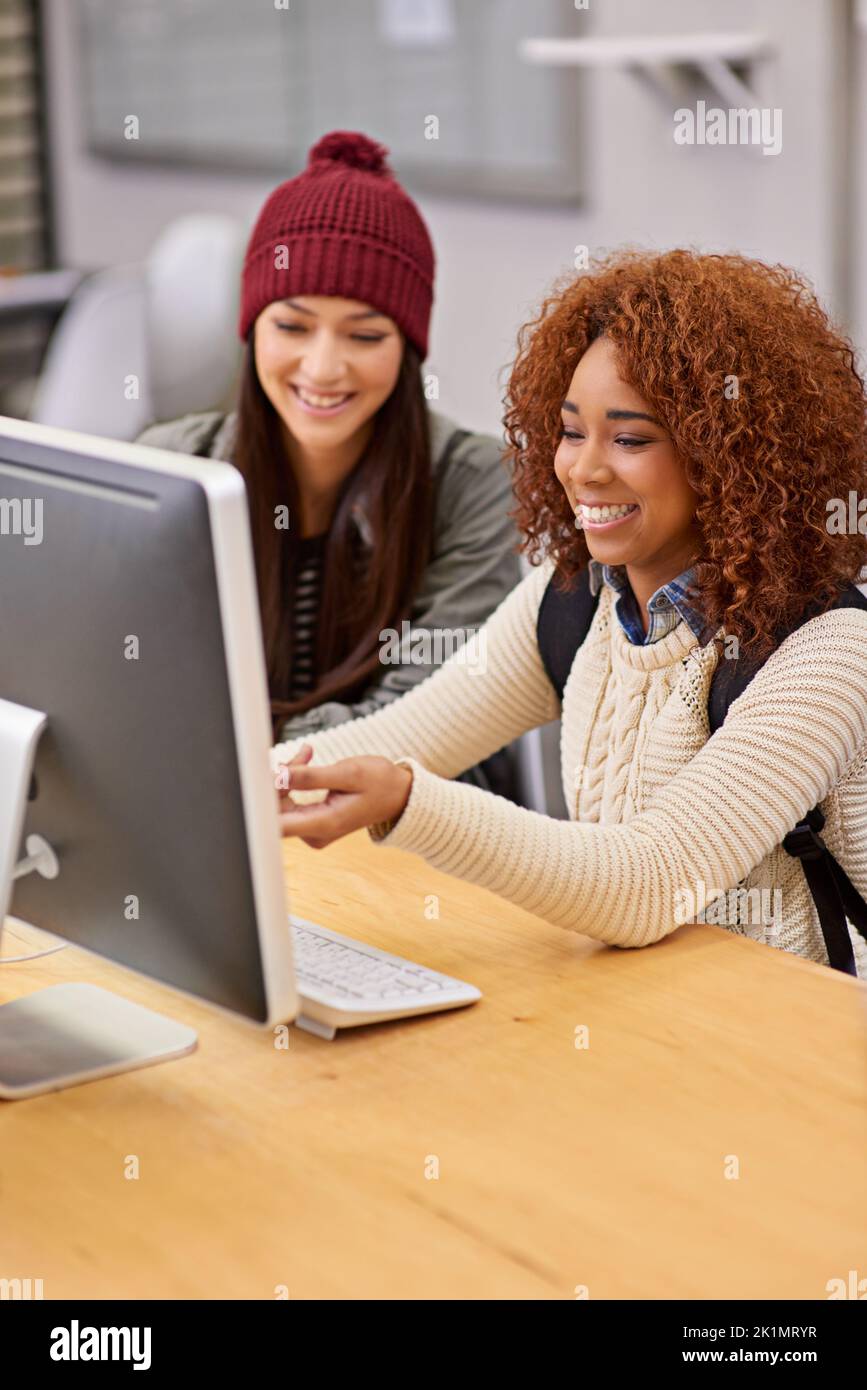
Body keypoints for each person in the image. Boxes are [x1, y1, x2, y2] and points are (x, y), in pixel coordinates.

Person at [273, 248, 867, 977]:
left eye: (630, 438)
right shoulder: (574, 600)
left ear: (726, 455)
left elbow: (645, 883)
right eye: (570, 431)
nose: (583, 469)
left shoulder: (829, 653)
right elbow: (395, 737)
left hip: (807, 1052)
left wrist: (405, 800)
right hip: (648, 1008)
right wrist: (224, 779)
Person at [136, 130, 521, 798]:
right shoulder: (173, 465)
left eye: (365, 335)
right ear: (251, 327)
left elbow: (425, 720)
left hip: (413, 825)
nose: (322, 368)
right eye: (291, 326)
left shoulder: (470, 481)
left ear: (407, 348)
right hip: (213, 807)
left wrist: (256, 767)